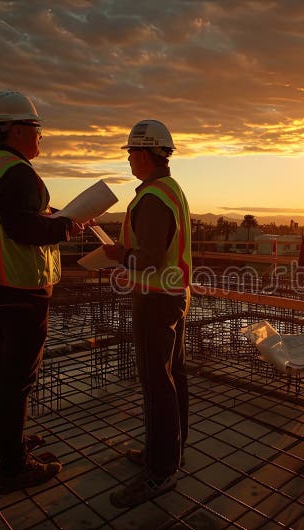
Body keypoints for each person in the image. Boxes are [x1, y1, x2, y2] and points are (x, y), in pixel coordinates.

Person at [0, 90, 83, 493]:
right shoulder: (16, 171)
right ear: (15, 130)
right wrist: (65, 225)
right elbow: (23, 229)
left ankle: (11, 444)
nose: (41, 136)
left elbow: (8, 220)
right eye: (37, 128)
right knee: (18, 378)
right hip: (19, 289)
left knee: (7, 373)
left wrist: (49, 218)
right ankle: (14, 467)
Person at [103, 119, 192, 507]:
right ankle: (166, 453)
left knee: (157, 384)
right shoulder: (170, 191)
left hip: (157, 299)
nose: (128, 161)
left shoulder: (153, 198)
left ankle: (160, 472)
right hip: (172, 295)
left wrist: (117, 254)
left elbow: (150, 259)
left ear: (143, 153)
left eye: (130, 153)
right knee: (172, 378)